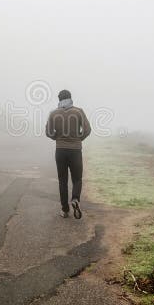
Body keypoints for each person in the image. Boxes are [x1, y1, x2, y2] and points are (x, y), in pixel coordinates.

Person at [45, 89, 91, 218]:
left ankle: (65, 210)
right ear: (71, 98)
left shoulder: (53, 113)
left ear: (59, 100)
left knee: (62, 180)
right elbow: (87, 130)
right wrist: (79, 138)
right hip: (75, 150)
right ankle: (75, 199)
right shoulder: (78, 111)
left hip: (60, 150)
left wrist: (57, 138)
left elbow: (48, 132)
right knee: (77, 179)